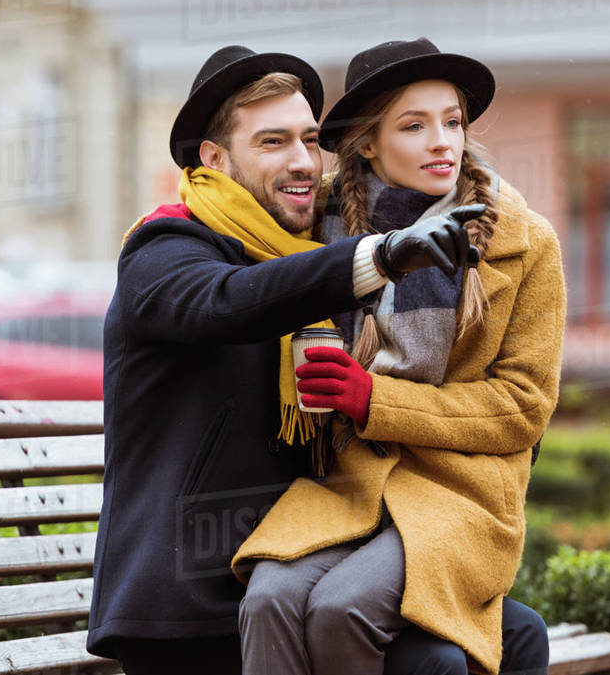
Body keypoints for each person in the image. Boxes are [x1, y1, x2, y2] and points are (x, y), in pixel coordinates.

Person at [86, 45, 490, 675]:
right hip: (189, 608)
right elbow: (227, 302)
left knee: (508, 634)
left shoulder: (301, 249)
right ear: (214, 159)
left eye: (309, 139)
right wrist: (377, 257)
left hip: (294, 574)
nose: (303, 162)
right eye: (273, 142)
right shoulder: (165, 247)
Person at [233, 38, 567, 675]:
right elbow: (236, 214)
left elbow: (522, 409)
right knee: (267, 599)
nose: (443, 141)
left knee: (342, 607)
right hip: (349, 484)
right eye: (414, 126)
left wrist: (372, 399)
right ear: (366, 142)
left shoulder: (522, 242)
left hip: (462, 494)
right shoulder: (320, 227)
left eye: (453, 122)